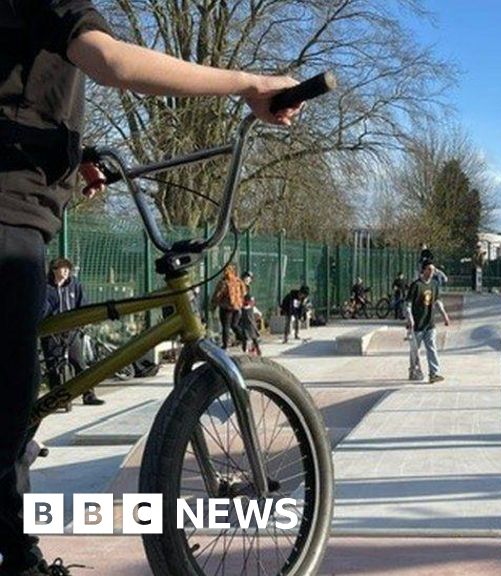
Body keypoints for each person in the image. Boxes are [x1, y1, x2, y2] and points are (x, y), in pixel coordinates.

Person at [0, 2, 302, 573]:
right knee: (7, 414)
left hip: (22, 211)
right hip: (8, 218)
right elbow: (112, 61)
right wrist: (248, 84)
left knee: (17, 415)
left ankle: (19, 554)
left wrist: (71, 158)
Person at [40, 258, 103, 407]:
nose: (66, 271)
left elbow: (82, 304)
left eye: (68, 269)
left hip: (72, 330)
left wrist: (84, 320)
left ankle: (89, 395)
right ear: (54, 270)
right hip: (52, 330)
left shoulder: (74, 284)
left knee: (79, 362)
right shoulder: (44, 287)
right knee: (54, 365)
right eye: (63, 268)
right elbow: (42, 309)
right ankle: (58, 398)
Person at [405, 261, 450, 383]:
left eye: (433, 270)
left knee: (432, 348)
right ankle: (413, 371)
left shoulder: (434, 285)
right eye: (429, 269)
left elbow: (437, 302)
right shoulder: (416, 285)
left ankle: (433, 373)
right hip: (417, 324)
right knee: (415, 350)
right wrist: (410, 318)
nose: (431, 272)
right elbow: (408, 304)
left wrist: (444, 315)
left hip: (430, 323)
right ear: (423, 270)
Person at [211, 264, 245, 349]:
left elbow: (218, 295)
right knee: (234, 325)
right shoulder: (238, 281)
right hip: (237, 307)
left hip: (226, 307)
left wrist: (214, 304)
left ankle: (225, 345)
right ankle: (243, 338)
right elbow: (244, 292)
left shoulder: (224, 282)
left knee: (225, 326)